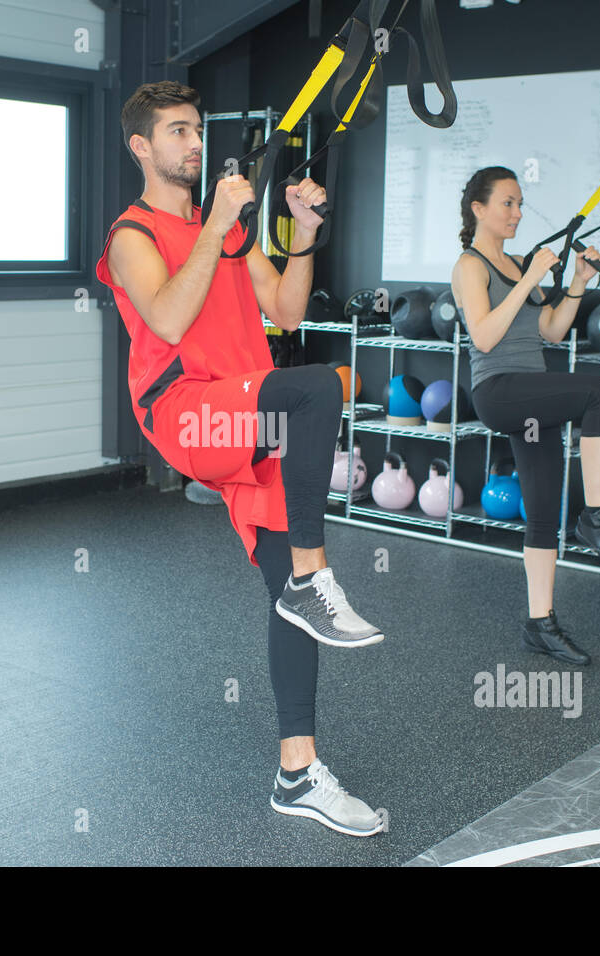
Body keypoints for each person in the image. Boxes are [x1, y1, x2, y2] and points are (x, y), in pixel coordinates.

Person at [96, 81, 385, 837]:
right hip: (188, 410)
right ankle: (317, 576)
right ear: (141, 147)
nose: (193, 143)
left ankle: (298, 773)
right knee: (320, 388)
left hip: (253, 419)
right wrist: (214, 225)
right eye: (177, 131)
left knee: (286, 589)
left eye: (197, 130)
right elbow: (164, 314)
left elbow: (287, 311)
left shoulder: (226, 233)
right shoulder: (131, 234)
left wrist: (303, 233)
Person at [451, 165, 600, 667]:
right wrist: (532, 277)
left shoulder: (517, 263)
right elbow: (485, 337)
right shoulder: (470, 266)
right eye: (507, 203)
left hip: (531, 395)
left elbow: (553, 331)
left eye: (519, 203)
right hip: (499, 390)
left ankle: (541, 624)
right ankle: (598, 517)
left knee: (541, 510)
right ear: (479, 209)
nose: (517, 213)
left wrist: (575, 282)